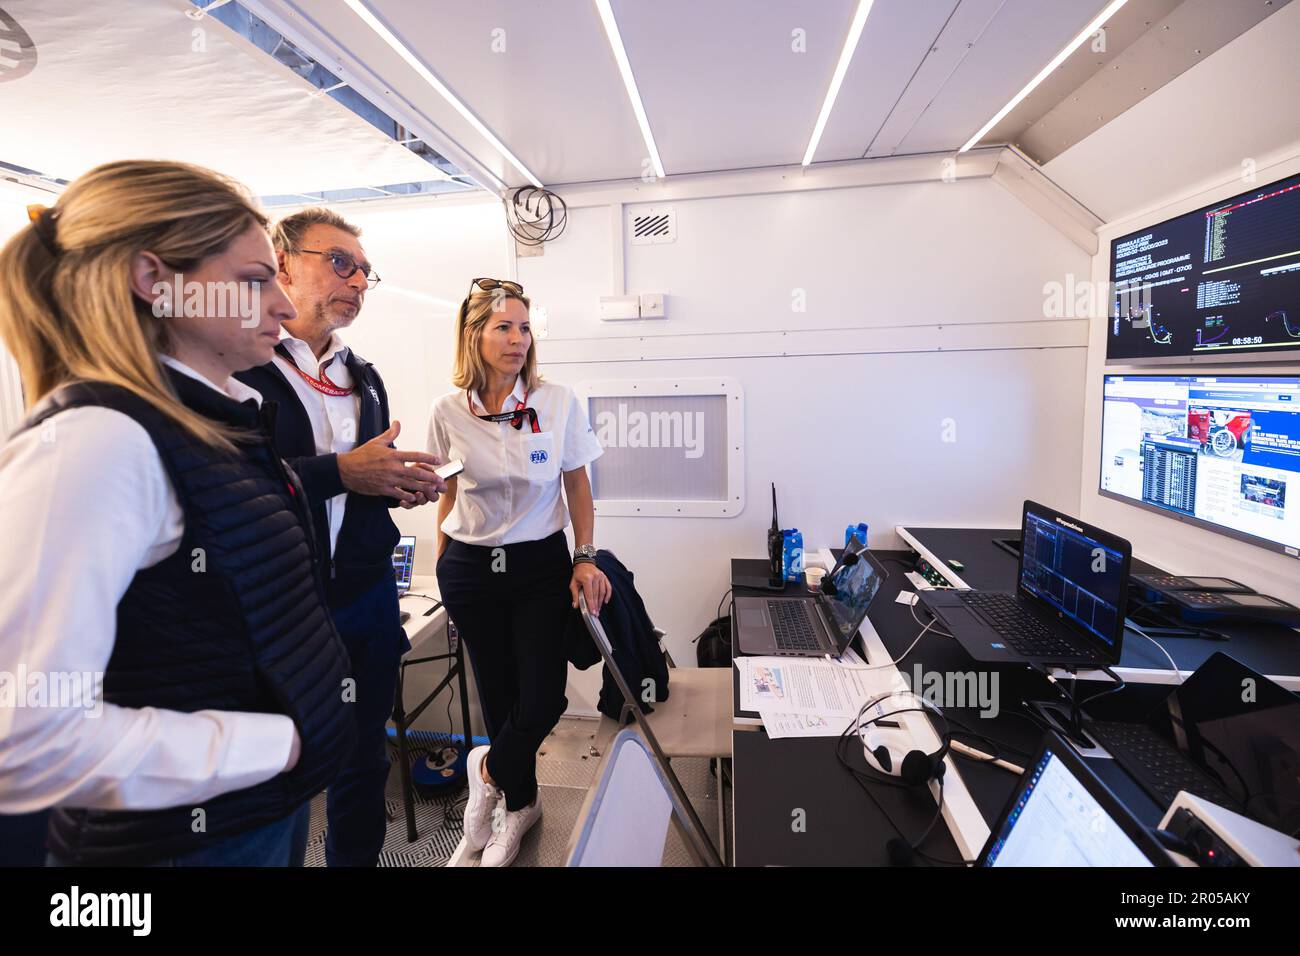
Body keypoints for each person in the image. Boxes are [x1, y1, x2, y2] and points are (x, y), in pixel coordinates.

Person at [0, 160, 356, 866]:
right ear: (153, 282)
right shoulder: (98, 443)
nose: (283, 308)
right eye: (255, 281)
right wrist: (275, 743)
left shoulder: (209, 424)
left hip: (256, 819)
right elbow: (26, 738)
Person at [235, 208, 445, 867]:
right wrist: (340, 472)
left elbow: (358, 487)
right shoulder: (243, 369)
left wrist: (394, 483)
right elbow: (231, 487)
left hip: (365, 595)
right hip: (282, 602)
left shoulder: (366, 376)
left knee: (364, 757)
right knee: (282, 767)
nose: (356, 281)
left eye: (364, 271)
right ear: (283, 263)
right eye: (340, 262)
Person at [427, 278, 609, 867]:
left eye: (524, 327)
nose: (517, 339)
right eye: (503, 327)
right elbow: (446, 494)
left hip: (537, 565)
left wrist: (585, 556)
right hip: (471, 568)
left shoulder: (556, 401)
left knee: (542, 701)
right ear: (473, 335)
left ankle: (487, 770)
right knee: (501, 699)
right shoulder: (448, 410)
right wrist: (442, 564)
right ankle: (520, 806)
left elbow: (577, 482)